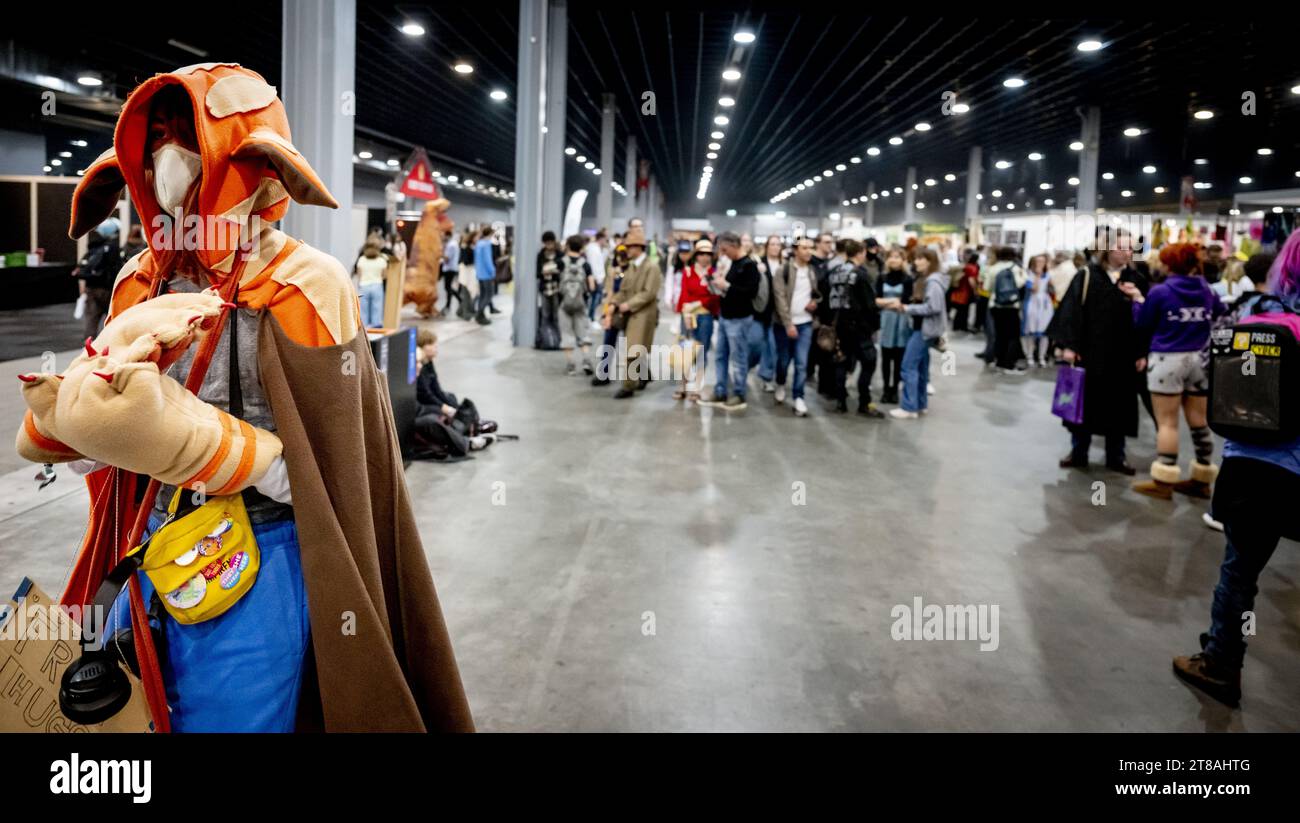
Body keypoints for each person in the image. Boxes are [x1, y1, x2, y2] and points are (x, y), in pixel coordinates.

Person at [19, 66, 470, 732]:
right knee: (134, 716)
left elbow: (341, 466)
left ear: (248, 160)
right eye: (160, 141)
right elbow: (107, 421)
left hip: (261, 548)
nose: (172, 167)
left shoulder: (306, 283)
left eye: (191, 141)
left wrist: (246, 459)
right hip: (149, 545)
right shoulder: (139, 278)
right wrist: (90, 432)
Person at [1173, 231, 1300, 707]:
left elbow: (1224, 383)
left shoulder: (1261, 318)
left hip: (1259, 468)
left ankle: (1221, 664)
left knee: (1240, 572)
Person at [1126, 243, 1226, 499]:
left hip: (1167, 359)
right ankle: (1202, 479)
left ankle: (1163, 481)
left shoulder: (1161, 292)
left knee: (1167, 423)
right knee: (1199, 422)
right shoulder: (1206, 289)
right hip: (1199, 360)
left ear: (1169, 264)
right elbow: (1220, 315)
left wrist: (1137, 300)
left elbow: (1143, 322)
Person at [1047, 235, 1150, 474]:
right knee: (1084, 405)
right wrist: (1069, 346)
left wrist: (1142, 351)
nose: (1127, 252)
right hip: (1090, 354)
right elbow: (1072, 312)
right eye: (1120, 247)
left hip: (1123, 357)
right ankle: (1078, 452)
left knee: (1120, 408)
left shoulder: (1136, 279)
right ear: (1106, 250)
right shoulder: (1086, 277)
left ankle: (1117, 456)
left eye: (1129, 248)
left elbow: (1146, 320)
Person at [413, 329, 497, 458]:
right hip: (419, 410)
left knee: (450, 397)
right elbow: (425, 395)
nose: (436, 348)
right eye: (432, 345)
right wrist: (443, 408)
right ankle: (466, 442)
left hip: (422, 406)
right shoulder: (416, 371)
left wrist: (449, 407)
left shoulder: (428, 363)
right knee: (433, 418)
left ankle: (466, 425)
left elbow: (436, 389)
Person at [823, 239, 884, 417]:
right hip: (858, 326)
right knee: (869, 362)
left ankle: (841, 401)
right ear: (861, 253)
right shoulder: (860, 274)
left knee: (842, 362)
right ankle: (864, 402)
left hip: (839, 325)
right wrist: (874, 325)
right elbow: (869, 304)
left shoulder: (835, 272)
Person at [700, 231, 760, 411]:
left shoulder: (749, 266)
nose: (723, 253)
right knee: (720, 356)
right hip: (725, 316)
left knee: (739, 357)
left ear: (735, 245)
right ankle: (720, 390)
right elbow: (728, 291)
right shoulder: (731, 264)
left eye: (725, 249)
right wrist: (716, 284)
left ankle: (740, 393)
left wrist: (727, 286)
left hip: (740, 319)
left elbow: (750, 292)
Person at [888, 248, 946, 419]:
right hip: (922, 329)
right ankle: (920, 404)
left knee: (908, 367)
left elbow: (932, 307)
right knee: (920, 368)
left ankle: (909, 407)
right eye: (916, 259)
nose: (917, 262)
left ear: (930, 261)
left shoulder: (933, 282)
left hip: (924, 331)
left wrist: (907, 308)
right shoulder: (926, 280)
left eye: (921, 259)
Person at [605, 227, 660, 399]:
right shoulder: (631, 268)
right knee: (637, 347)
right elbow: (624, 290)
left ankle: (628, 386)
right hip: (632, 313)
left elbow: (649, 292)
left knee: (633, 350)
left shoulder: (651, 267)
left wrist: (628, 305)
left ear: (638, 248)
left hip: (643, 314)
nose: (626, 250)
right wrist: (614, 302)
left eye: (629, 247)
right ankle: (645, 375)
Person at [771, 236, 821, 416]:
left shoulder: (812, 271)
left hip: (806, 323)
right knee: (784, 361)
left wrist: (815, 302)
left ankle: (799, 397)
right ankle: (781, 383)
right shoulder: (783, 270)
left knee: (801, 363)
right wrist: (788, 323)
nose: (808, 251)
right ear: (795, 250)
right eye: (804, 248)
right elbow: (780, 298)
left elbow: (817, 292)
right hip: (784, 324)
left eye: (810, 248)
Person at [673, 238, 720, 402]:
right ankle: (682, 385)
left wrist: (699, 303)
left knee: (701, 351)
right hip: (687, 315)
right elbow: (684, 292)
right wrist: (686, 313)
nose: (705, 257)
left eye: (708, 254)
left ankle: (697, 387)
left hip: (705, 316)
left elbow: (715, 296)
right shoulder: (688, 271)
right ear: (696, 255)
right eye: (701, 254)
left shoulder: (714, 274)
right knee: (684, 349)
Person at [876, 248, 914, 404]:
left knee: (899, 357)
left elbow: (905, 302)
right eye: (891, 257)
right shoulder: (881, 277)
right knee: (886, 357)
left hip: (902, 320)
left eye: (897, 257)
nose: (894, 260)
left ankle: (894, 389)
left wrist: (886, 302)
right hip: (886, 320)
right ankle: (885, 389)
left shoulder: (908, 279)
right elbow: (876, 300)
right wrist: (893, 302)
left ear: (903, 260)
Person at [75, 220, 123, 340]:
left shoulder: (94, 246)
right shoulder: (113, 247)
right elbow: (116, 269)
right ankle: (111, 343)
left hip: (91, 288)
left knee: (91, 319)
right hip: (107, 289)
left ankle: (88, 347)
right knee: (113, 319)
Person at [986, 246, 1028, 374]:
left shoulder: (992, 268)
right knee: (1012, 336)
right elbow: (1022, 283)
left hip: (995, 305)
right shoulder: (1016, 268)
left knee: (999, 335)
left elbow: (986, 287)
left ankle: (999, 361)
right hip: (1012, 306)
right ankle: (1009, 364)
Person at [557, 234, 595, 375]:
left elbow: (555, 282)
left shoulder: (561, 262)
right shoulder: (585, 264)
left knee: (566, 333)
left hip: (564, 303)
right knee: (583, 333)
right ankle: (586, 360)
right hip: (580, 303)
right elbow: (591, 286)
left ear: (567, 246)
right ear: (582, 247)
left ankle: (571, 365)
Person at [753, 235, 782, 394]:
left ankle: (768, 375)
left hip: (779, 311)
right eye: (772, 244)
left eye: (778, 244)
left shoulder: (785, 265)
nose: (775, 247)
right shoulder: (760, 263)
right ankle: (765, 374)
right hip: (763, 310)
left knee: (773, 345)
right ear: (767, 246)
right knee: (761, 343)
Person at [1022, 254, 1055, 368]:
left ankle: (1041, 357)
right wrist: (1037, 275)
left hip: (1045, 306)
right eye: (1038, 261)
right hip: (1033, 304)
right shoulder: (1029, 275)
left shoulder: (1048, 275)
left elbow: (1052, 289)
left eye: (1042, 262)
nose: (1040, 264)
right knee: (1031, 332)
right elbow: (1034, 289)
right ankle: (1030, 356)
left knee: (1044, 333)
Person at [535, 231, 562, 349]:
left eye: (550, 242)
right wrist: (544, 272)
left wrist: (553, 271)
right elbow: (537, 273)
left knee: (556, 315)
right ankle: (545, 340)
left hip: (557, 288)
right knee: (545, 315)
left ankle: (558, 340)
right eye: (546, 243)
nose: (549, 245)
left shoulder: (560, 255)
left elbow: (562, 271)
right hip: (545, 288)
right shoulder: (541, 255)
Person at [353, 241, 388, 329]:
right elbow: (384, 275)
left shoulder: (361, 259)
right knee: (377, 309)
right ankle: (376, 328)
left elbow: (359, 274)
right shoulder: (382, 260)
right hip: (377, 285)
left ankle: (364, 329)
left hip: (364, 286)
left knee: (363, 310)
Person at [949, 250, 978, 333]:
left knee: (960, 310)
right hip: (965, 292)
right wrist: (975, 291)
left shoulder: (966, 266)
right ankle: (962, 326)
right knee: (964, 310)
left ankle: (957, 325)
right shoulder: (972, 268)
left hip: (959, 291)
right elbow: (971, 280)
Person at [473, 225, 496, 325]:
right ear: (491, 233)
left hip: (479, 273)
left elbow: (476, 259)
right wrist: (492, 271)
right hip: (486, 274)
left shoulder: (479, 243)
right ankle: (479, 314)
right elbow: (487, 260)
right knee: (489, 295)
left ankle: (481, 316)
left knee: (482, 295)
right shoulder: (486, 244)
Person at [585, 229, 609, 321]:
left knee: (597, 299)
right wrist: (597, 279)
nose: (606, 242)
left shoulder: (597, 249)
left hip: (598, 278)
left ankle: (591, 317)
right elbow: (594, 265)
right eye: (605, 239)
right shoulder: (593, 249)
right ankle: (590, 318)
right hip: (595, 279)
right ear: (601, 239)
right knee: (594, 300)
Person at [440, 228, 460, 315]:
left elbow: (447, 258)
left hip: (449, 269)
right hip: (451, 268)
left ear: (447, 235)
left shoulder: (451, 245)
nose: (442, 237)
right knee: (448, 288)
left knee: (448, 287)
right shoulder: (452, 244)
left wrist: (439, 254)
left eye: (443, 235)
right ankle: (449, 304)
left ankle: (457, 300)